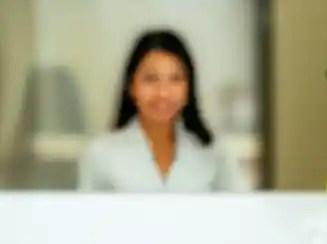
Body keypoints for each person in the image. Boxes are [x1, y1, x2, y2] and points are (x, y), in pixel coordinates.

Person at [78, 29, 246, 192]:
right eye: (151, 79)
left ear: (189, 88)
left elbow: (240, 215)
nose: (163, 93)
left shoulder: (216, 153)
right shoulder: (100, 153)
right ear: (131, 87)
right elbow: (85, 218)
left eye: (176, 79)